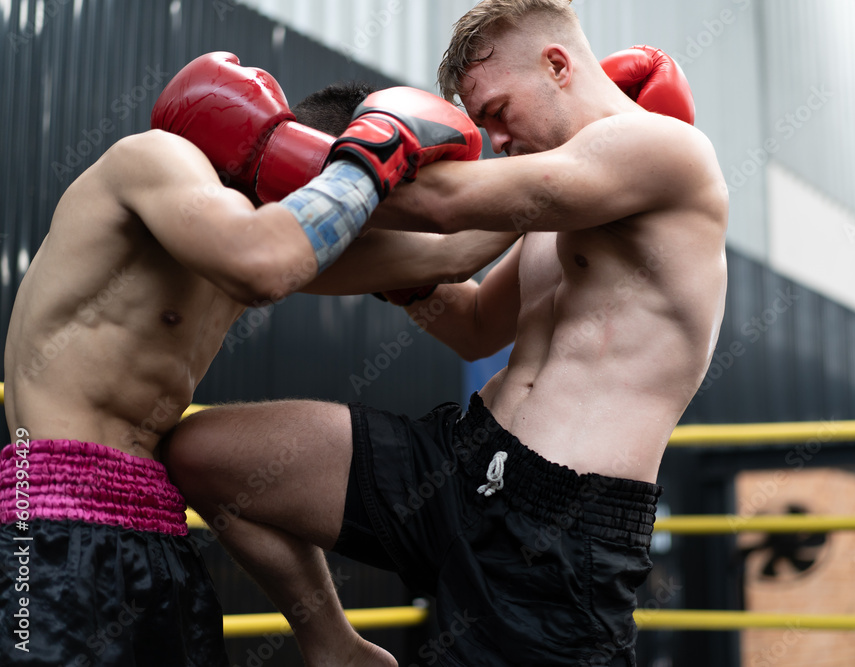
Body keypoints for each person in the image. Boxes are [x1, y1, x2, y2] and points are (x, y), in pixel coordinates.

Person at [163, 5, 726, 665]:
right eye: (482, 124)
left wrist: (275, 152)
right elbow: (474, 324)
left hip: (561, 528)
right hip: (459, 462)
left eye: (499, 112)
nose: (498, 140)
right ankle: (335, 647)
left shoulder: (665, 146)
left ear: (556, 64)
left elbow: (443, 203)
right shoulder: (552, 209)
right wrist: (350, 268)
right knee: (201, 454)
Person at [0, 50, 507, 666]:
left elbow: (453, 256)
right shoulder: (155, 159)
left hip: (158, 530)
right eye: (351, 197)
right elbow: (258, 261)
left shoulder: (274, 236)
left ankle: (331, 644)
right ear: (315, 164)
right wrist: (371, 164)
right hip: (54, 514)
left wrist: (580, 144)